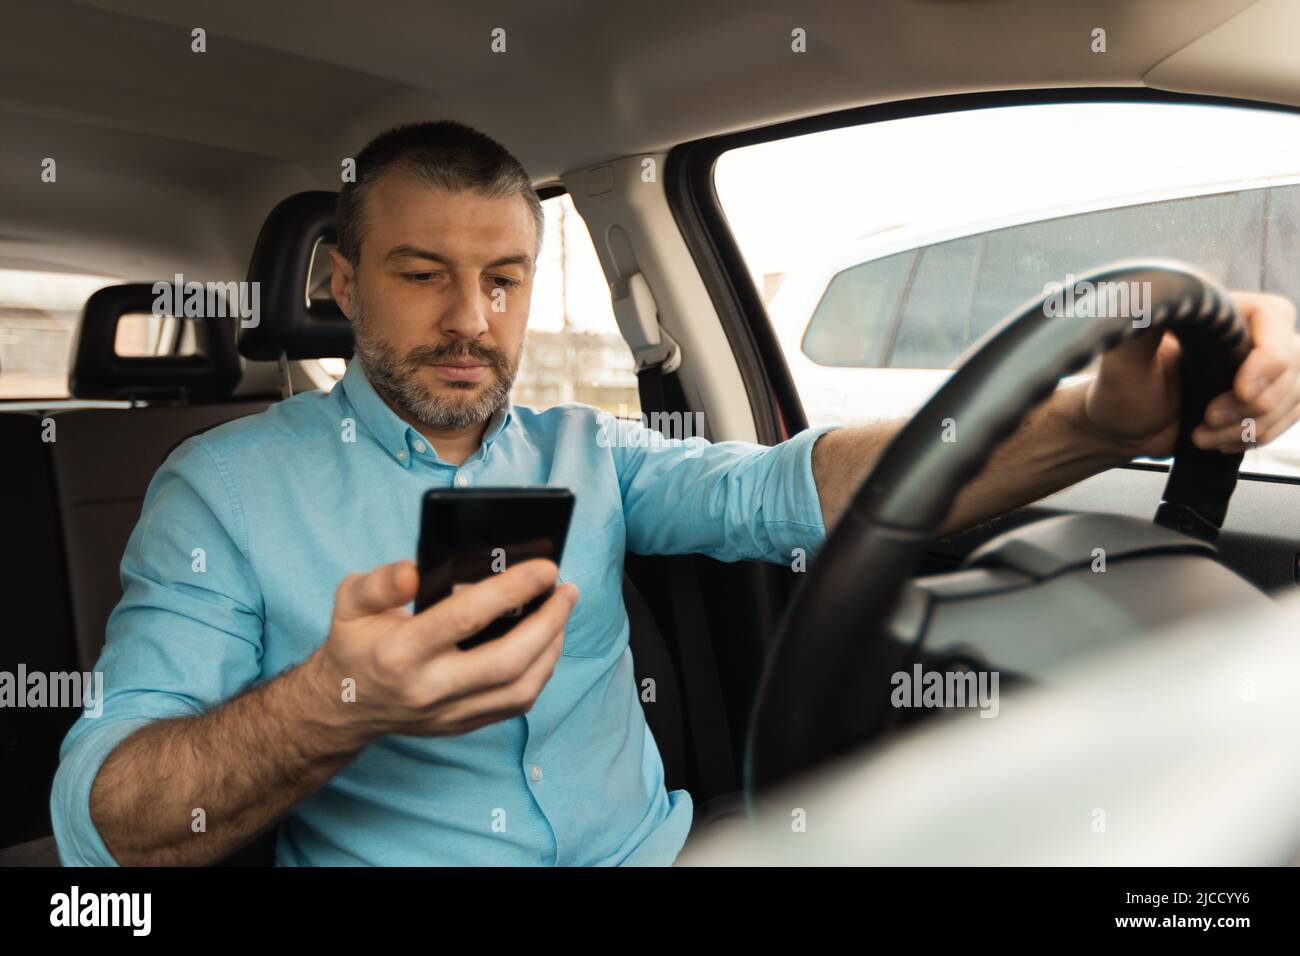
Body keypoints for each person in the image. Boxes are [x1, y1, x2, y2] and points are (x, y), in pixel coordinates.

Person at [51, 120, 1300, 866]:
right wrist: (341, 700)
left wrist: (1089, 419)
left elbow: (787, 490)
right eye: (422, 273)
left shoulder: (588, 452)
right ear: (340, 278)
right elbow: (101, 816)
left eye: (504, 278)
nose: (470, 321)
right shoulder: (219, 490)